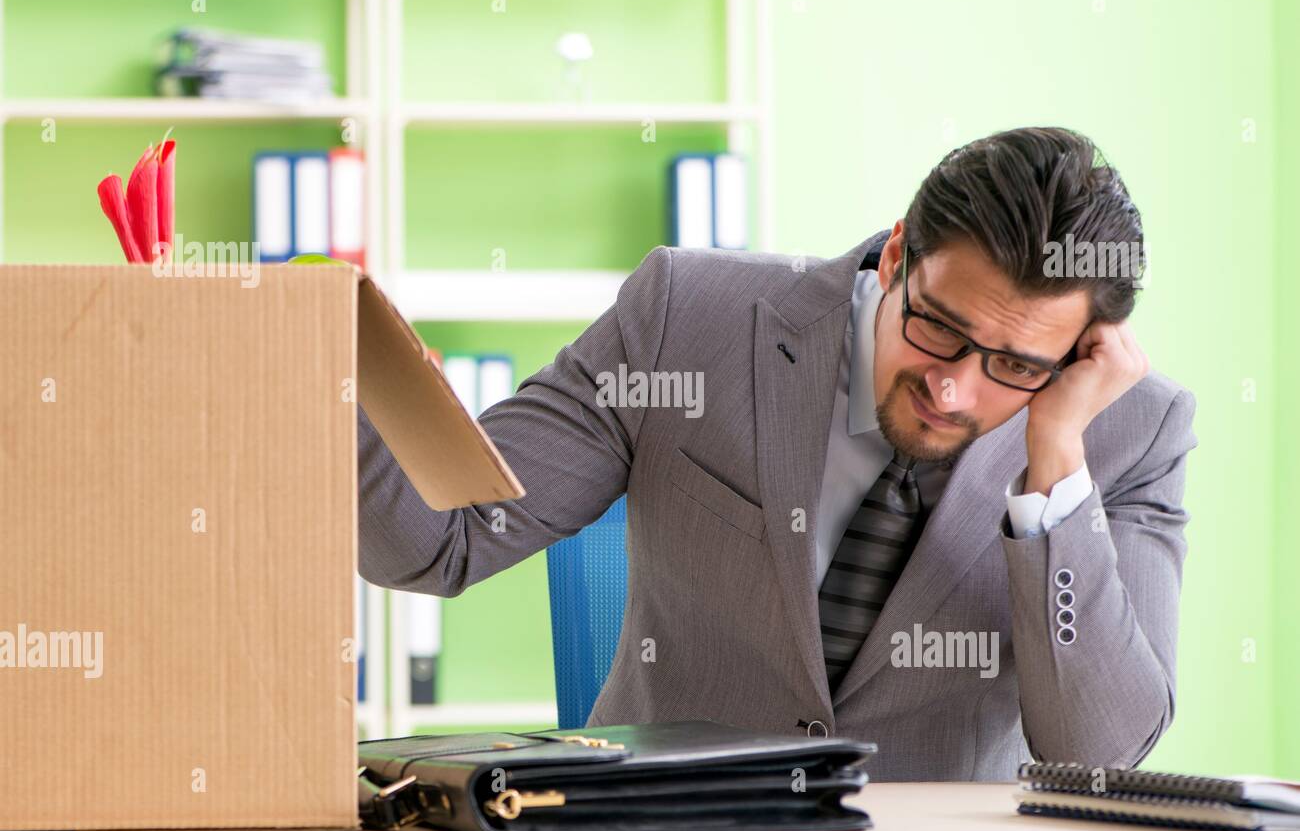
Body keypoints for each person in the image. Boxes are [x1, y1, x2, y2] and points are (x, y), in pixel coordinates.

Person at [358, 126, 1196, 781]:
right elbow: (441, 541)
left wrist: (1054, 465)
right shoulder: (687, 318)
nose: (953, 391)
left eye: (1013, 366)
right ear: (899, 255)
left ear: (1080, 353)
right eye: (938, 328)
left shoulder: (1131, 434)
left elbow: (1100, 755)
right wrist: (334, 379)